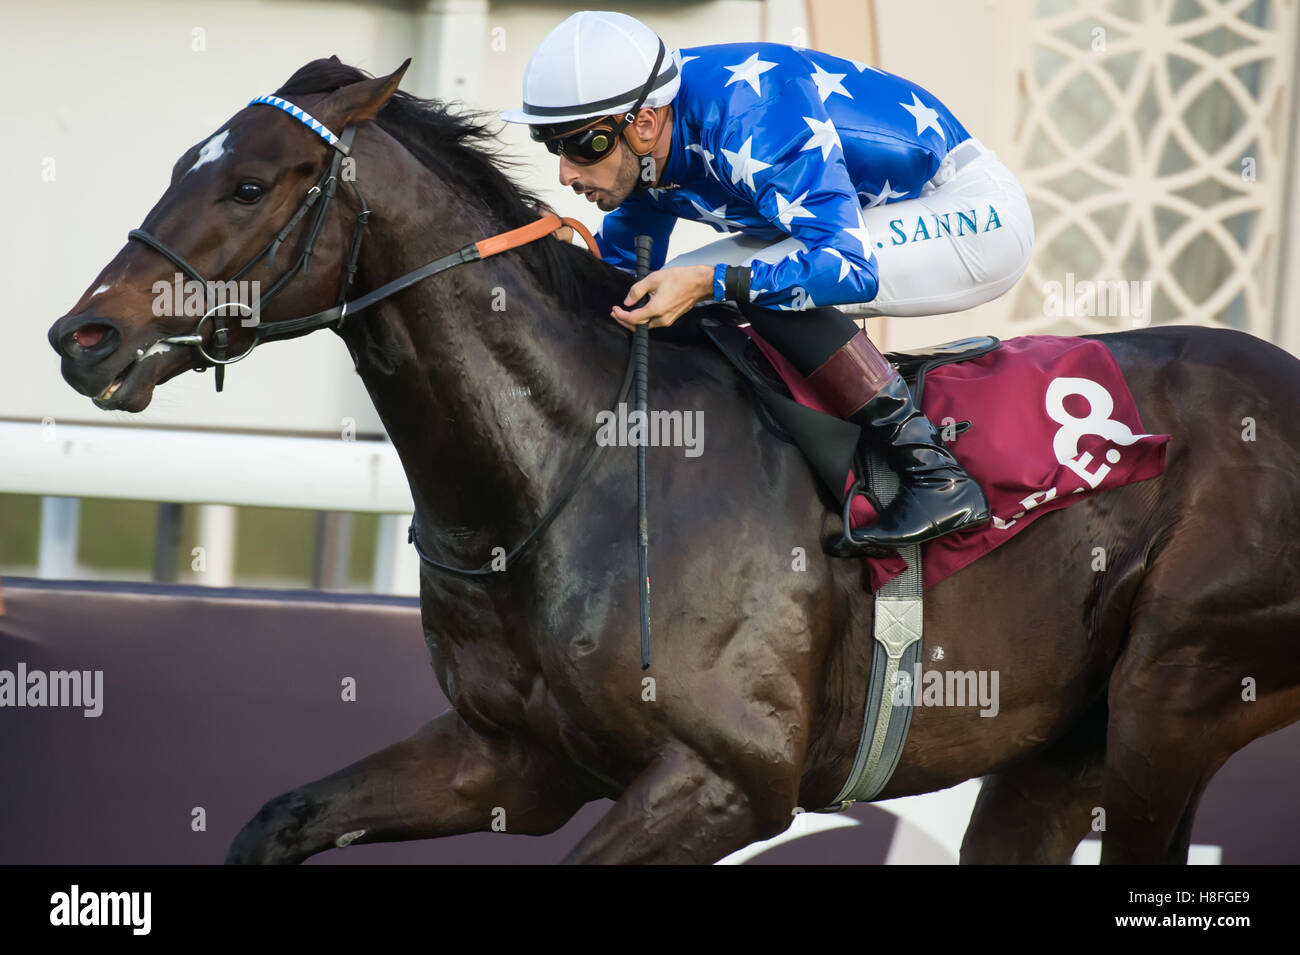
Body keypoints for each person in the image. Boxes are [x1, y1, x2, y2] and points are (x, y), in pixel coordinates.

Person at [500, 11, 1034, 552]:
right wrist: (551, 264)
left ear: (642, 125)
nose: (565, 173)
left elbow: (848, 268)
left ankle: (934, 473)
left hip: (970, 214)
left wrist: (713, 283)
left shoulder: (752, 115)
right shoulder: (645, 143)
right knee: (665, 289)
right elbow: (622, 284)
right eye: (552, 146)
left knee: (742, 286)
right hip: (861, 224)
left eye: (582, 146)